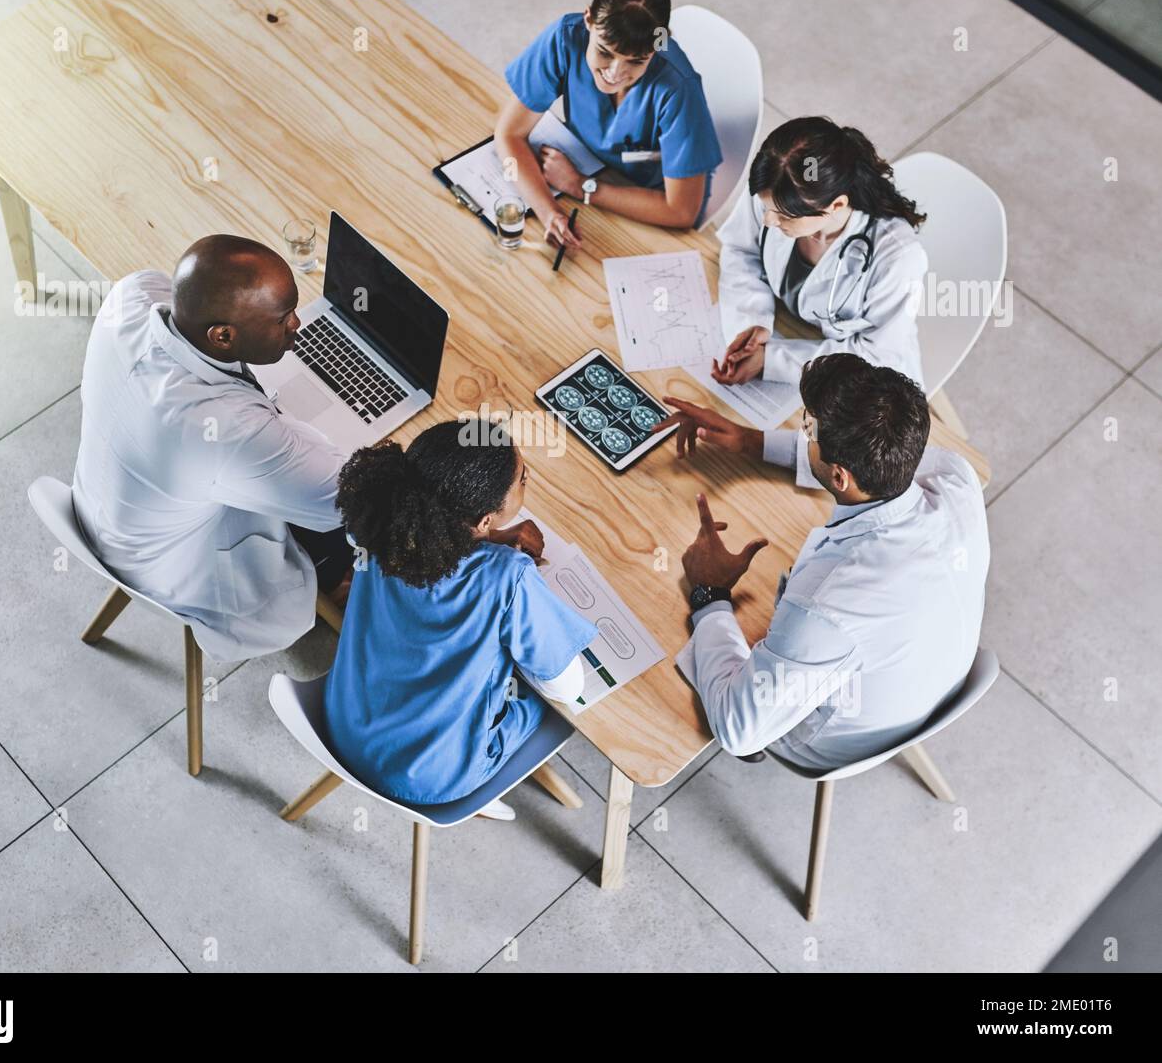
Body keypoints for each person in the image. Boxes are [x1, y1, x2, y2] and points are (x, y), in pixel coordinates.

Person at [656, 353, 989, 771]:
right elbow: (874, 462)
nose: (803, 432)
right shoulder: (954, 477)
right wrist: (750, 441)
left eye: (807, 429)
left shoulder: (828, 604)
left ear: (838, 477)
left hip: (830, 737)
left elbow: (737, 730)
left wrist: (710, 593)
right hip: (925, 676)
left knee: (662, 642)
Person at [72, 235, 352, 663]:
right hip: (176, 570)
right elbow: (344, 499)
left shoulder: (132, 294)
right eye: (283, 319)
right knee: (359, 520)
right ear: (222, 335)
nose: (298, 325)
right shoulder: (219, 429)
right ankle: (342, 584)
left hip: (103, 506)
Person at [323, 420, 596, 816]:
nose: (526, 480)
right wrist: (512, 570)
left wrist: (483, 545)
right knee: (555, 708)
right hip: (435, 779)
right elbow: (567, 686)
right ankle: (485, 784)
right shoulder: (508, 576)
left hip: (346, 730)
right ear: (486, 520)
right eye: (523, 479)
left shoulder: (377, 521)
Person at [495, 0, 723, 247]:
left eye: (636, 61)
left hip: (641, 201)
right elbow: (509, 134)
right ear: (588, 19)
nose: (615, 73)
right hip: (582, 168)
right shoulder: (566, 37)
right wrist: (549, 212)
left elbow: (681, 210)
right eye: (604, 51)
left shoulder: (678, 89)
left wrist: (581, 186)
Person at [714, 117, 927, 389]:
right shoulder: (775, 187)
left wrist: (772, 361)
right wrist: (750, 320)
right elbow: (740, 249)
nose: (768, 220)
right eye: (766, 208)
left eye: (784, 216)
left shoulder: (897, 258)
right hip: (788, 328)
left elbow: (879, 355)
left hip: (863, 387)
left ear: (835, 205)